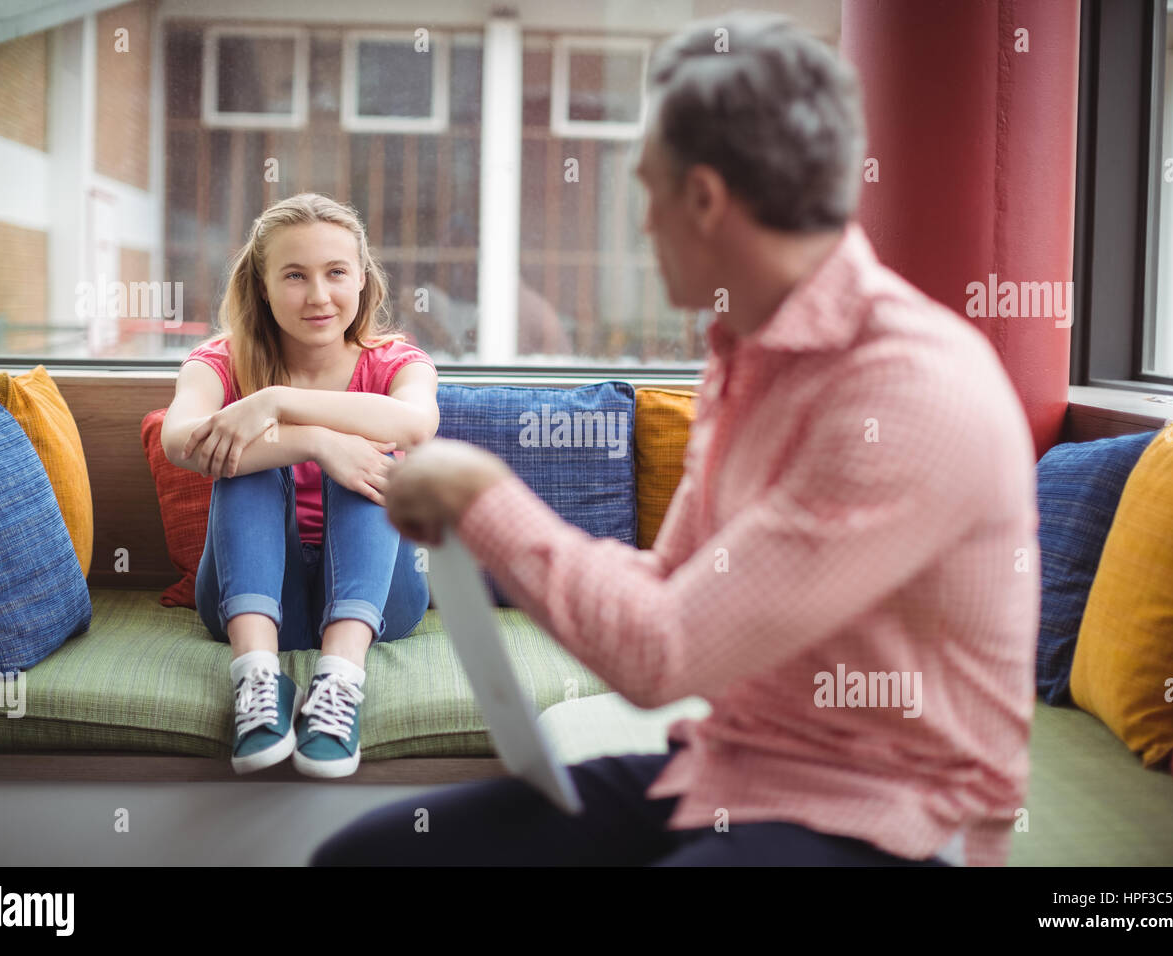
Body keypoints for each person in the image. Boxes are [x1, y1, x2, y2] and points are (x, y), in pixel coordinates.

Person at [312, 12, 1039, 866]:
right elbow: (671, 586)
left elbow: (663, 654)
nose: (642, 222)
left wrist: (485, 501)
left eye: (646, 188)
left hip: (891, 817)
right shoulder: (749, 355)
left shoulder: (908, 390)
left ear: (703, 199)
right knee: (370, 858)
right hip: (736, 773)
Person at [161, 192, 439, 778]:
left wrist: (277, 403)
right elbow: (181, 441)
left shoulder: (396, 361)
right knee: (244, 463)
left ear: (362, 278)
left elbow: (415, 423)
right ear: (262, 286)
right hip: (256, 595)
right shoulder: (219, 360)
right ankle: (258, 681)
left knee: (371, 456)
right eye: (294, 275)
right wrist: (314, 442)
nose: (318, 295)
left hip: (381, 594)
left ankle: (339, 682)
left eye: (336, 272)